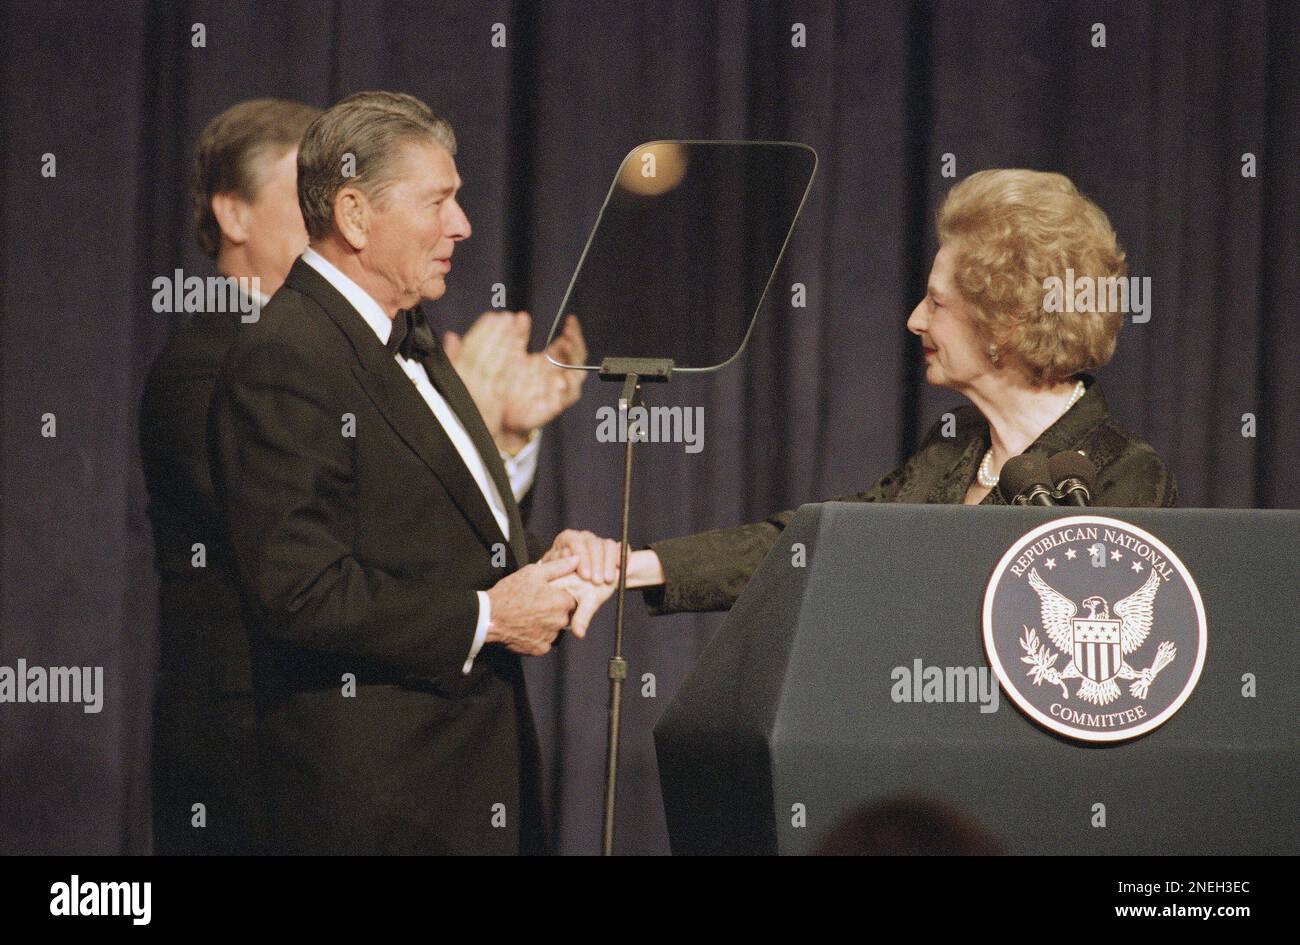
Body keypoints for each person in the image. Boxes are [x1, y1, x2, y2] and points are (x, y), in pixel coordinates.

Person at [142, 97, 590, 854]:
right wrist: (487, 615)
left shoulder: (403, 334)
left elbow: (412, 530)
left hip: (453, 775)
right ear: (352, 213)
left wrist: (534, 539)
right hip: (318, 780)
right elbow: (303, 579)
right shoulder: (251, 357)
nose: (464, 226)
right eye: (439, 202)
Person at [548, 169, 1179, 615]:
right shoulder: (953, 446)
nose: (914, 320)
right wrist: (630, 564)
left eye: (937, 302)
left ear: (1005, 321)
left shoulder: (1123, 478)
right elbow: (815, 544)